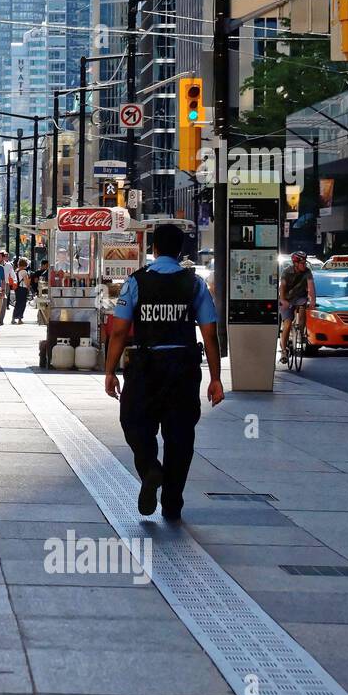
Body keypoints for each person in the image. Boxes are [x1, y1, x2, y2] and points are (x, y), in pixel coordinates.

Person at [103, 223, 225, 522]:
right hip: (183, 368)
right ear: (180, 250)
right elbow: (210, 334)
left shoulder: (136, 282)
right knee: (180, 436)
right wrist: (216, 379)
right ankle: (172, 503)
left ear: (154, 249)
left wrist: (110, 371)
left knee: (134, 422)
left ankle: (149, 467)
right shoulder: (194, 284)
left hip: (146, 368)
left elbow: (119, 332)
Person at [278, 251, 317, 365]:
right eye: (302, 263)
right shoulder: (286, 272)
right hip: (287, 299)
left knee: (302, 307)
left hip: (300, 297)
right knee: (288, 323)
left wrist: (313, 301)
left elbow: (310, 287)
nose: (304, 265)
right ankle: (284, 351)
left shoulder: (307, 272)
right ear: (295, 263)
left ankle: (301, 331)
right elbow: (282, 287)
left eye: (305, 262)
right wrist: (283, 300)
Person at [11, 257, 30, 324]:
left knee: (17, 303)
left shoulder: (16, 270)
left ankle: (13, 318)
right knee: (22, 304)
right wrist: (28, 287)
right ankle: (19, 318)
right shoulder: (24, 271)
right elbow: (26, 282)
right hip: (22, 289)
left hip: (17, 288)